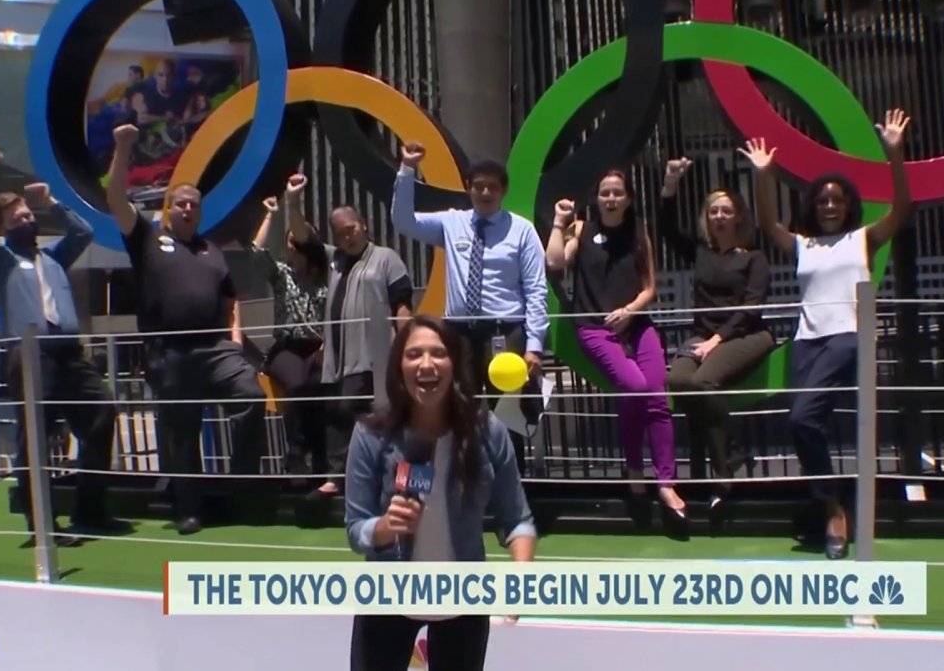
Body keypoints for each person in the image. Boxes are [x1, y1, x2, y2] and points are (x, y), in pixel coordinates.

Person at [743, 108, 912, 559]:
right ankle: (833, 506)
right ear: (813, 206)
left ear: (848, 204)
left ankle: (835, 515)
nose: (831, 206)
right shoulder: (805, 244)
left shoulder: (864, 239)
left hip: (846, 336)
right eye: (823, 201)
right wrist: (764, 175)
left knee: (801, 419)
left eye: (837, 200)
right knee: (802, 427)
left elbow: (902, 209)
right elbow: (768, 225)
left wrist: (894, 154)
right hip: (806, 342)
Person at [0, 140, 129, 544]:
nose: (28, 220)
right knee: (36, 438)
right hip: (29, 356)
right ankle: (43, 526)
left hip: (70, 355)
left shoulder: (53, 258)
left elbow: (83, 232)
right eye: (19, 218)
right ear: (3, 227)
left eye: (30, 215)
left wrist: (52, 203)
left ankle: (90, 511)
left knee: (102, 415)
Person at [344, 314, 536, 671]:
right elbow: (356, 529)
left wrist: (520, 578)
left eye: (438, 353)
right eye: (414, 354)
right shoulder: (371, 435)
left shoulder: (487, 432)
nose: (426, 364)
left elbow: (517, 519)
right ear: (398, 367)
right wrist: (385, 527)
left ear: (454, 364)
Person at [106, 124, 267, 535]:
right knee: (181, 430)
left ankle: (240, 487)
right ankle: (188, 508)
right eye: (180, 204)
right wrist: (124, 147)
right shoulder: (145, 238)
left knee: (251, 396)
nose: (187, 210)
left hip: (216, 349)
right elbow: (115, 199)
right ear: (167, 208)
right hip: (170, 351)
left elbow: (231, 301)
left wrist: (234, 340)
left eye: (193, 205)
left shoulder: (211, 250)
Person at [391, 142, 548, 475]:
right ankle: (465, 483)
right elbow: (403, 221)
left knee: (508, 417)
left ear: (503, 190)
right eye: (478, 186)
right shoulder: (452, 223)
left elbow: (536, 290)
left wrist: (534, 346)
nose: (485, 192)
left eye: (492, 186)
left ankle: (512, 490)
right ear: (468, 188)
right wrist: (406, 169)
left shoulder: (522, 230)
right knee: (459, 410)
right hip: (459, 332)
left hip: (506, 332)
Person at [545, 170, 686, 535]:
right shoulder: (580, 229)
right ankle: (635, 469)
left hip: (637, 322)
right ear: (597, 197)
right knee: (635, 388)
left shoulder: (639, 232)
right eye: (604, 192)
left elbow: (650, 287)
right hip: (593, 326)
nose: (610, 198)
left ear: (628, 198)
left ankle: (667, 483)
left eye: (617, 192)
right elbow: (555, 264)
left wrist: (631, 311)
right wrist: (559, 224)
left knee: (657, 394)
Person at [657, 157, 775, 532]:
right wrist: (671, 184)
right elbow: (664, 227)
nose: (720, 217)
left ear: (738, 217)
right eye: (714, 211)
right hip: (702, 336)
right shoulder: (701, 252)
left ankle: (722, 474)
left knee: (703, 382)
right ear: (707, 218)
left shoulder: (754, 257)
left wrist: (716, 340)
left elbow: (752, 308)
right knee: (677, 381)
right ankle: (735, 453)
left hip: (746, 335)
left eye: (727, 211)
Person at [285, 173, 414, 499]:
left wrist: (407, 346)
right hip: (337, 359)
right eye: (341, 233)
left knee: (368, 415)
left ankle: (381, 480)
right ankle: (339, 479)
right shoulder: (333, 260)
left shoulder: (387, 258)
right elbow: (302, 236)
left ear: (364, 225)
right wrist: (293, 201)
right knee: (338, 416)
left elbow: (402, 305)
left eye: (352, 229)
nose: (348, 236)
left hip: (375, 356)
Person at [247, 187, 329, 480]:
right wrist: (270, 214)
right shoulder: (281, 273)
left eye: (299, 241)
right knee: (297, 385)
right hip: (287, 346)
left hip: (319, 345)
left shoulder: (326, 275)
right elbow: (256, 252)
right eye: (290, 241)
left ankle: (322, 457)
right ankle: (295, 454)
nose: (293, 245)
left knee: (320, 386)